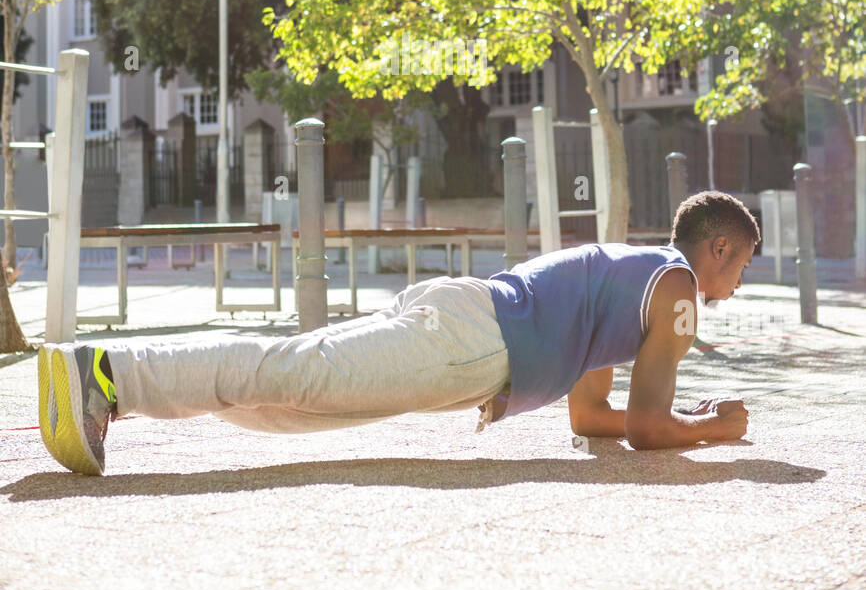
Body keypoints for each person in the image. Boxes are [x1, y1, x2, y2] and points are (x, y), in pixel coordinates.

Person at [38, 190, 758, 476]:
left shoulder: (638, 282)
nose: (739, 286)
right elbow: (642, 431)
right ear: (718, 249)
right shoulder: (677, 290)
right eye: (744, 265)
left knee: (287, 404)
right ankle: (104, 373)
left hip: (469, 327)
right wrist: (716, 431)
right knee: (295, 375)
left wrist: (675, 419)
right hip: (475, 342)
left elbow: (593, 418)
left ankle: (105, 391)